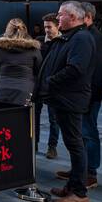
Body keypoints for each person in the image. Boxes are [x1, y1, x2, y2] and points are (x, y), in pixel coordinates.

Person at [34, 1, 95, 202]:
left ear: (73, 17)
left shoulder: (81, 38)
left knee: (75, 144)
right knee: (72, 144)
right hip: (62, 98)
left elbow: (75, 69)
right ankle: (72, 185)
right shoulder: (70, 37)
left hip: (70, 99)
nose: (57, 17)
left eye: (61, 14)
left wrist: (50, 81)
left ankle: (79, 193)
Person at [60, 1, 102, 187]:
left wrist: (87, 95)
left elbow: (94, 70)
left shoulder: (93, 37)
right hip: (84, 94)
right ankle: (79, 169)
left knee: (88, 132)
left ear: (87, 17)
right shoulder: (85, 35)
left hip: (89, 95)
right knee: (80, 133)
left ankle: (90, 172)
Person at [0, 18, 42, 106]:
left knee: (2, 113)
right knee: (23, 114)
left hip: (3, 87)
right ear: (24, 30)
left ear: (7, 30)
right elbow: (39, 70)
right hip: (25, 88)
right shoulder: (33, 49)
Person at [38, 13, 61, 159]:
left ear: (57, 26)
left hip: (54, 86)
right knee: (35, 115)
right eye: (45, 27)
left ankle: (52, 146)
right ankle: (34, 143)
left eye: (49, 27)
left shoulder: (63, 42)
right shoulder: (39, 41)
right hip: (39, 84)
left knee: (54, 119)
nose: (46, 30)